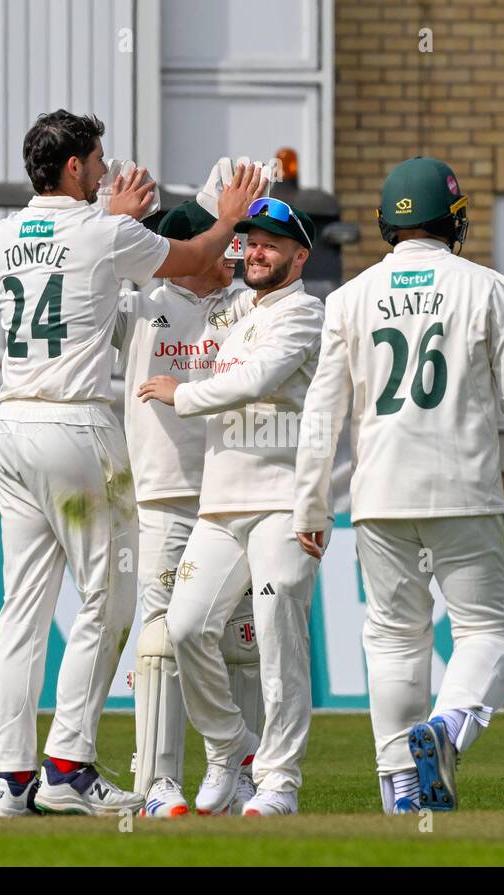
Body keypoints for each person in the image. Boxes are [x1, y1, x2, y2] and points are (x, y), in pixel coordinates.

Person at [0, 110, 263, 817]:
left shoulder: (6, 233)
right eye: (99, 160)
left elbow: (74, 252)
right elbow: (197, 258)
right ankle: (68, 765)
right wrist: (227, 217)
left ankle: (11, 779)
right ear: (74, 166)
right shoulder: (106, 232)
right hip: (73, 426)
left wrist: (112, 217)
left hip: (11, 425)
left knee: (21, 610)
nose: (110, 171)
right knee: (108, 602)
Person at [293, 157, 504, 813]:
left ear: (387, 225)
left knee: (393, 640)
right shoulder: (488, 287)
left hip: (379, 496)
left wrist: (312, 503)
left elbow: (321, 411)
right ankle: (447, 728)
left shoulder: (349, 299)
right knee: (491, 635)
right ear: (455, 220)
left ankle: (400, 790)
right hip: (462, 488)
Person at [138, 198, 323, 816]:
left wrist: (182, 394)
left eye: (272, 243)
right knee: (186, 628)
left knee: (278, 637)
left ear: (300, 255)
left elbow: (256, 380)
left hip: (281, 500)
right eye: (251, 240)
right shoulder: (235, 307)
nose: (257, 251)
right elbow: (189, 278)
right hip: (220, 503)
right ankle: (229, 747)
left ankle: (279, 783)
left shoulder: (306, 313)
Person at [119, 199, 263, 817]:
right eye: (212, 252)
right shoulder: (137, 307)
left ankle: (241, 776)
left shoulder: (237, 306)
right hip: (162, 495)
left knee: (242, 640)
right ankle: (156, 781)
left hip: (231, 492)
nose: (227, 262)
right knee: (161, 637)